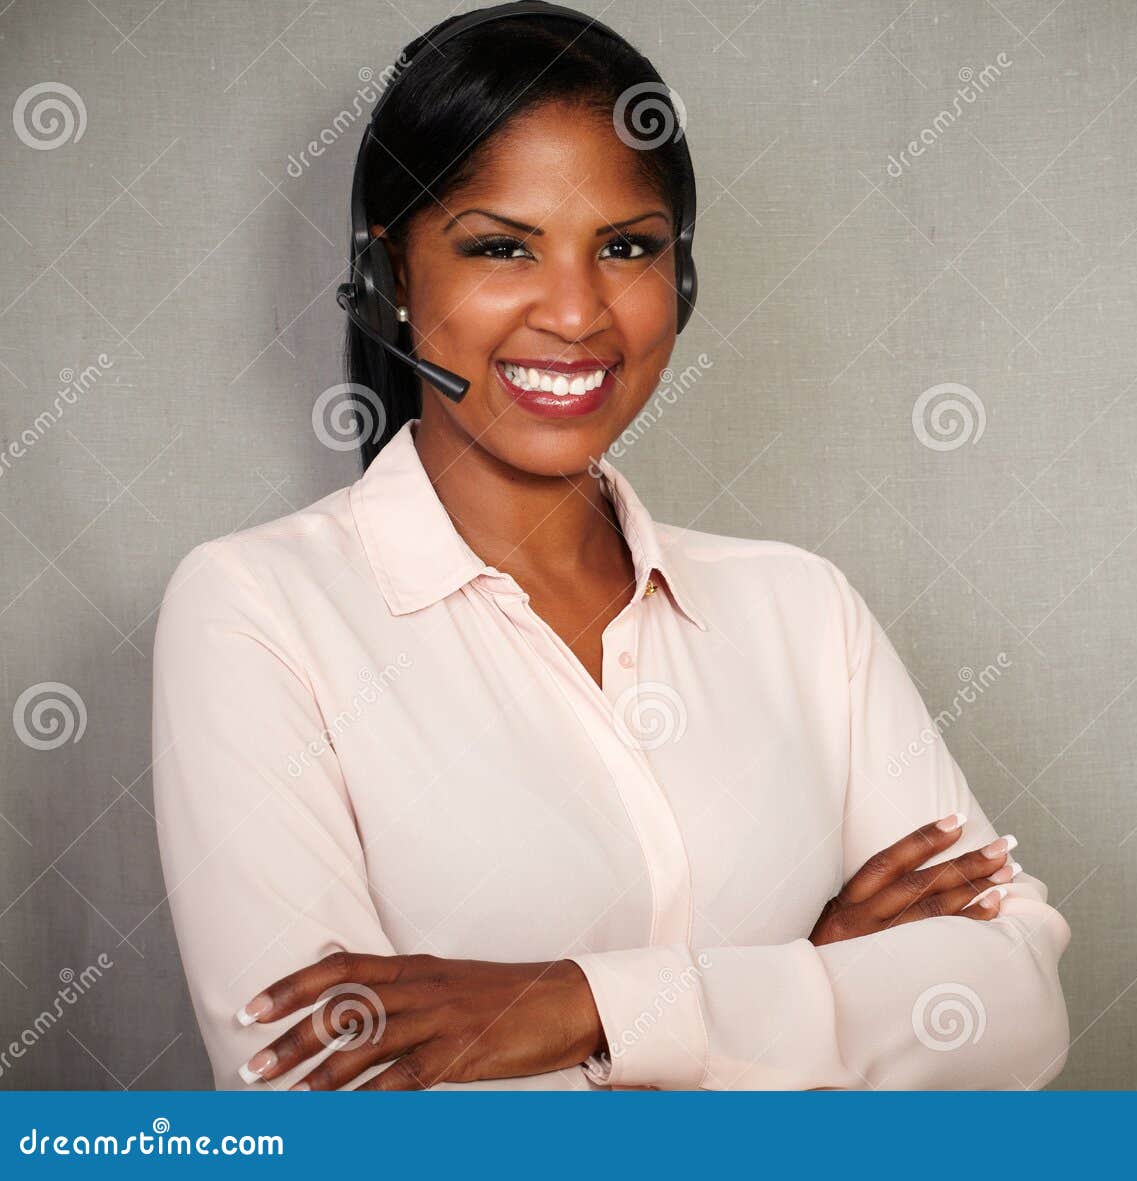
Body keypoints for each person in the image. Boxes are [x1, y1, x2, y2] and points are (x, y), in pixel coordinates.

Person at [151, 3, 1071, 1091]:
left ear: (679, 275)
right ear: (394, 277)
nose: (579, 314)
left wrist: (575, 1005)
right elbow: (327, 1101)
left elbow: (1012, 1010)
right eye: (501, 247)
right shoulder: (256, 608)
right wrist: (802, 983)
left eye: (626, 247)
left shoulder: (799, 607)